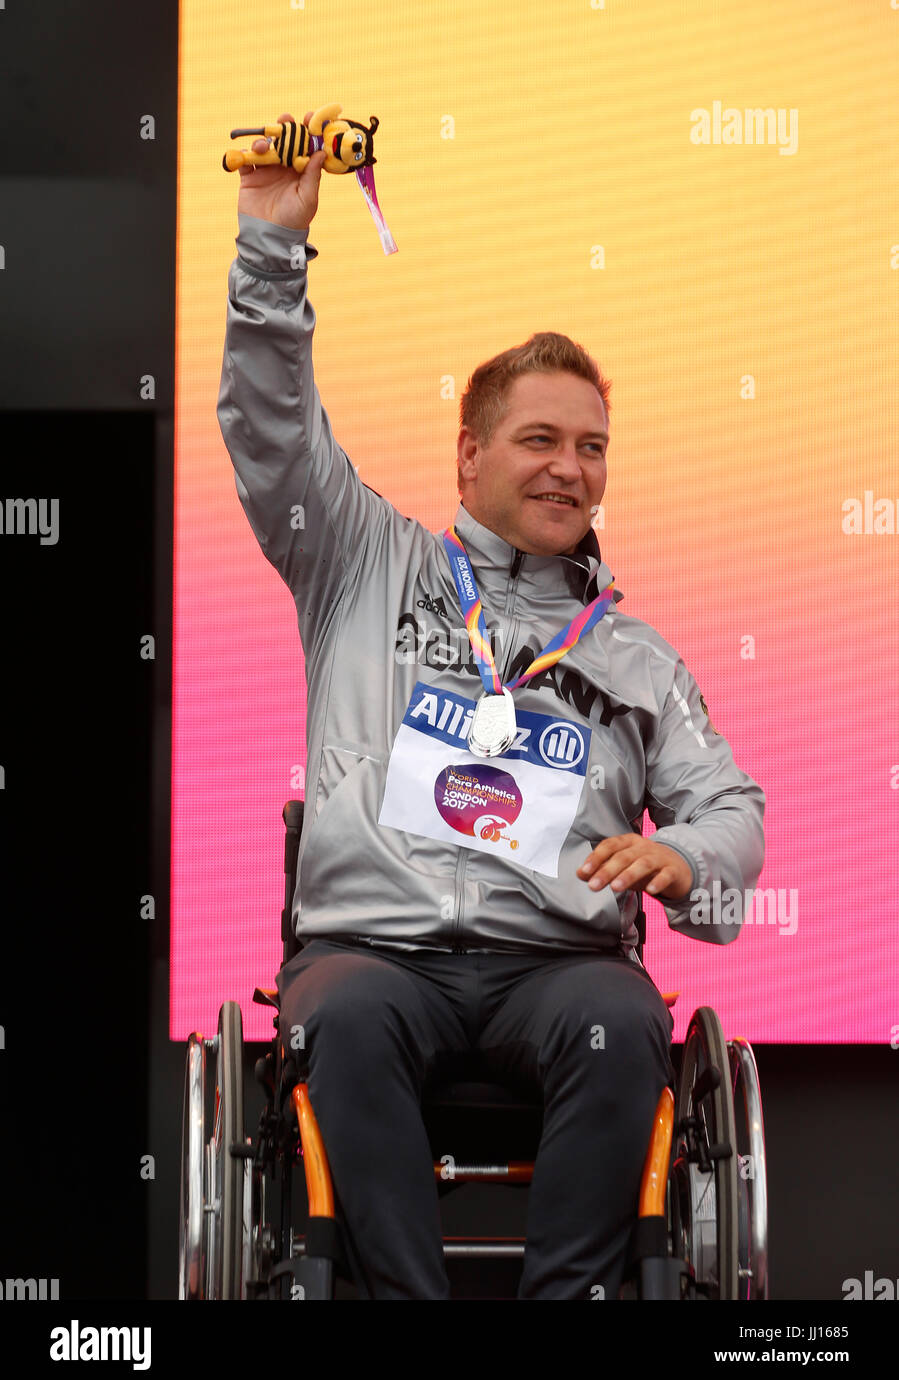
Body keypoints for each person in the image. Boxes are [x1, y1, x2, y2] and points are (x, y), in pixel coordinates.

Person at [217, 112, 765, 1300]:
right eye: (538, 440)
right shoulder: (362, 563)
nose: (569, 466)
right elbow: (270, 435)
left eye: (591, 446)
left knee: (623, 1030)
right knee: (349, 1026)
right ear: (467, 456)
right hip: (374, 950)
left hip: (555, 962)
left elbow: (729, 804)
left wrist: (682, 856)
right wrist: (271, 247)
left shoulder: (632, 654)